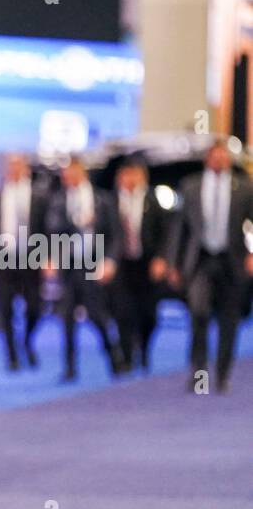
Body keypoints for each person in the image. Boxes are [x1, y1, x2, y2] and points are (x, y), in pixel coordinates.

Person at [167, 141, 253, 393]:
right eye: (214, 157)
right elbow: (179, 228)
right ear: (207, 159)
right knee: (199, 313)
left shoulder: (244, 188)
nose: (219, 161)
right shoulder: (191, 186)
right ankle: (199, 372)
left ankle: (223, 374)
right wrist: (173, 262)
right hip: (201, 260)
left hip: (231, 260)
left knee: (229, 320)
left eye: (223, 157)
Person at [42, 156, 125, 382]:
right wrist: (50, 257)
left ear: (82, 172)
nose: (67, 177)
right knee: (66, 316)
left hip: (93, 263)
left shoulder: (102, 199)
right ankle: (69, 367)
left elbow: (115, 234)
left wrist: (109, 261)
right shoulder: (58, 201)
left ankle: (114, 357)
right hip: (69, 265)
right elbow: (52, 231)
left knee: (97, 316)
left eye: (72, 172)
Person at [0, 154, 49, 370]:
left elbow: (45, 230)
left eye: (18, 166)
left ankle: (27, 341)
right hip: (4, 258)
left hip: (31, 258)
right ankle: (12, 357)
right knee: (6, 309)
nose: (14, 170)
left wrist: (48, 258)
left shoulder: (38, 197)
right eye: (11, 166)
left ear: (26, 169)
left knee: (35, 307)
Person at [108, 157, 171, 372]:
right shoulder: (111, 202)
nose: (129, 179)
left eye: (133, 174)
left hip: (147, 265)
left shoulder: (153, 200)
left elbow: (166, 233)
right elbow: (105, 234)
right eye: (125, 174)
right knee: (123, 312)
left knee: (149, 314)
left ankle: (143, 348)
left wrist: (162, 259)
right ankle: (126, 356)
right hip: (122, 265)